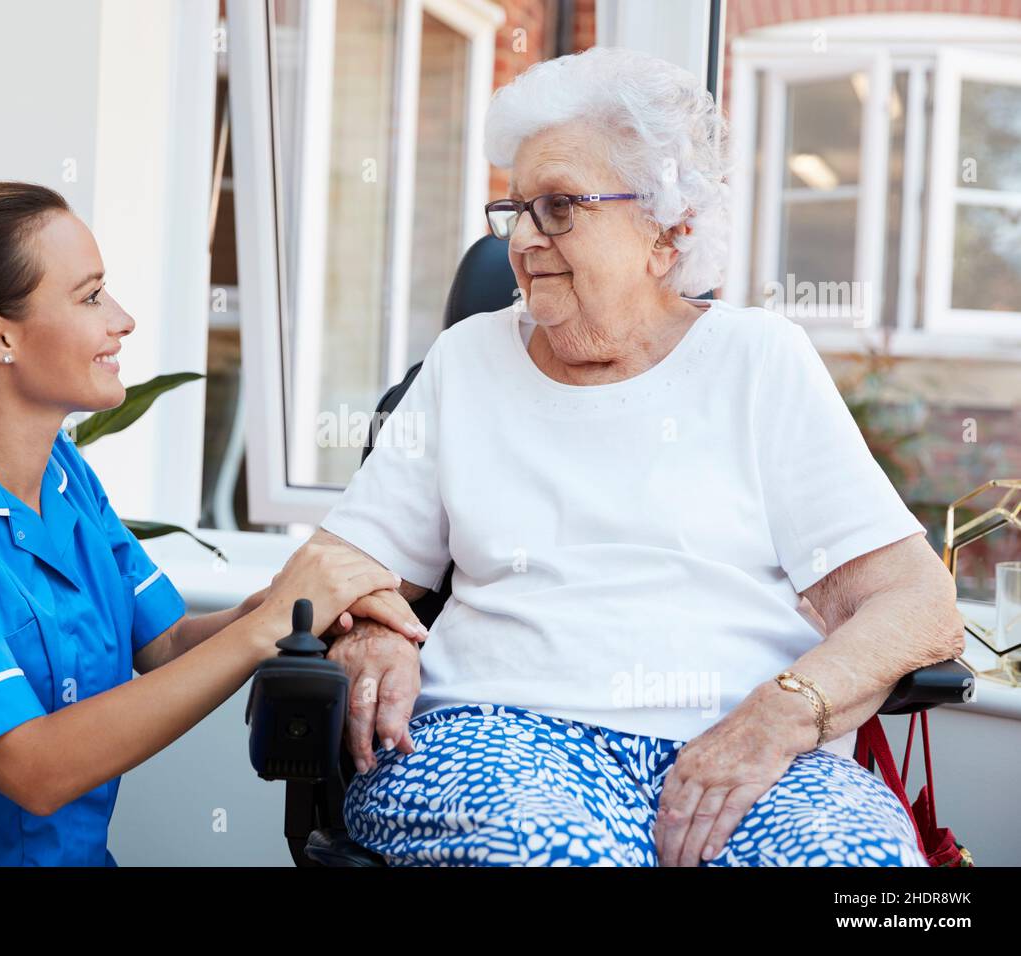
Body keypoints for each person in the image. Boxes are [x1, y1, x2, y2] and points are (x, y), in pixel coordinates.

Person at [312, 47, 965, 866]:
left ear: (670, 229)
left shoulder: (758, 360)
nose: (523, 241)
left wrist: (783, 713)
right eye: (514, 208)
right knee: (555, 853)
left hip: (748, 741)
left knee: (855, 867)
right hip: (501, 735)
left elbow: (917, 602)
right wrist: (367, 634)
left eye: (557, 207)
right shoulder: (466, 361)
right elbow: (342, 569)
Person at [0, 182, 427, 865]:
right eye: (91, 296)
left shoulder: (62, 475)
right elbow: (35, 769)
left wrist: (296, 604)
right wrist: (266, 628)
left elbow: (168, 643)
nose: (121, 320)